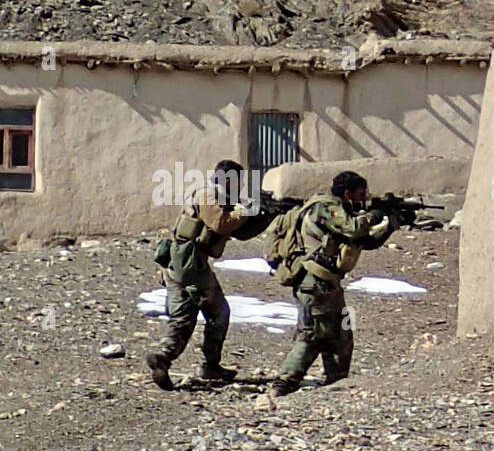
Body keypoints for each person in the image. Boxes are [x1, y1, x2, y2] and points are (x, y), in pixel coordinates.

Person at [146, 160, 272, 391]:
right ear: (227, 180)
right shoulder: (208, 194)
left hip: (183, 264)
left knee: (184, 317)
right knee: (218, 312)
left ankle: (162, 357)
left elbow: (240, 232)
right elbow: (221, 223)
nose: (240, 187)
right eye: (238, 182)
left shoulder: (219, 196)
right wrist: (246, 208)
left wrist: (264, 215)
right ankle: (209, 365)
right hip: (189, 264)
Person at [271, 171, 395, 396]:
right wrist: (375, 216)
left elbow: (363, 241)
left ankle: (336, 382)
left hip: (329, 284)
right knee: (312, 335)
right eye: (360, 194)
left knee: (342, 332)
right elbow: (354, 229)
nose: (363, 198)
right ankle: (283, 383)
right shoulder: (326, 207)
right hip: (313, 282)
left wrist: (391, 225)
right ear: (347, 193)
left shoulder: (343, 213)